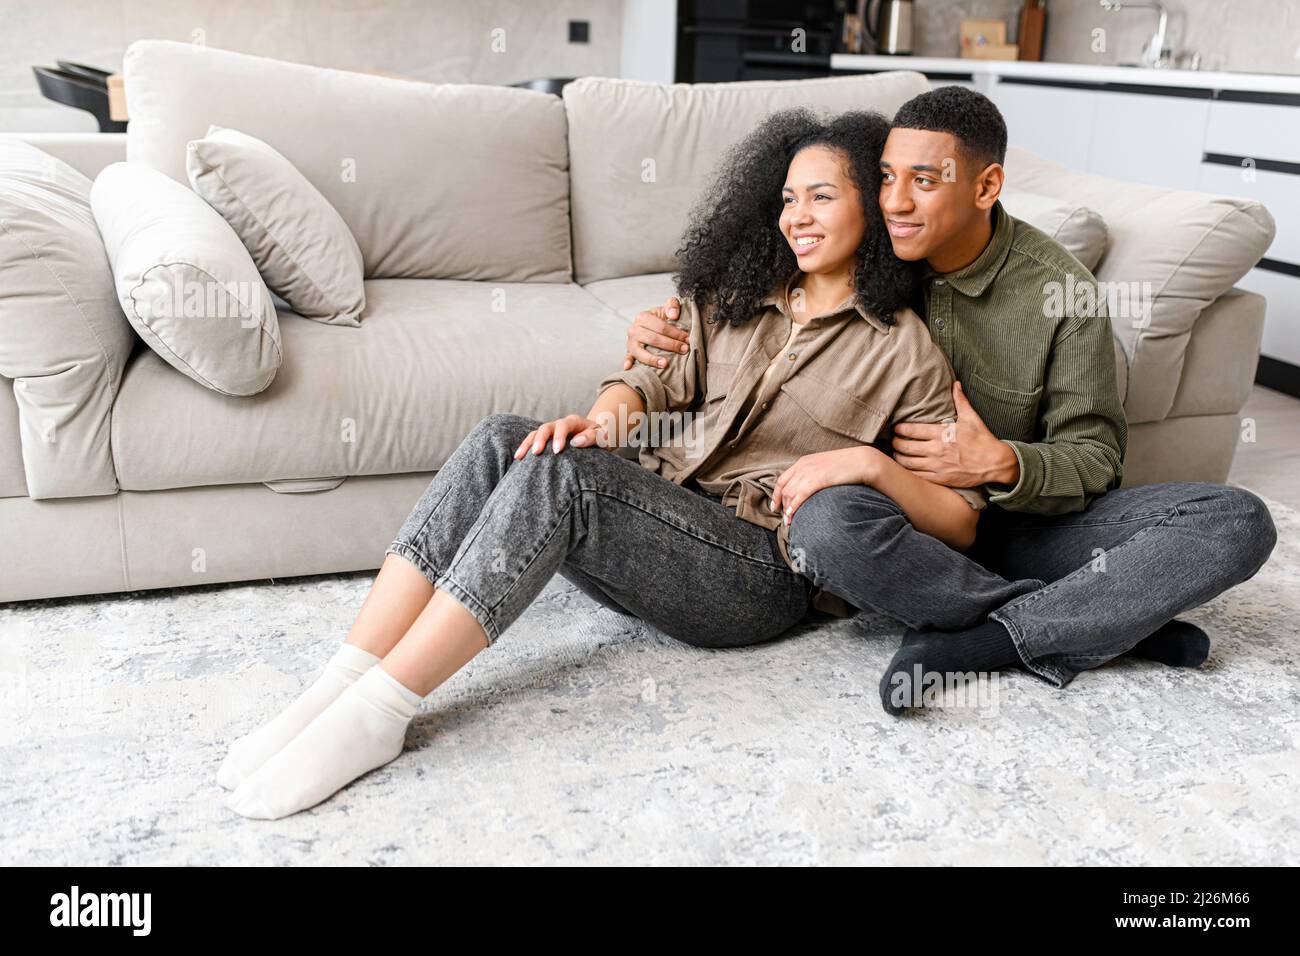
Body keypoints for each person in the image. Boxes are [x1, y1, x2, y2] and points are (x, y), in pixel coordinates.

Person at [217, 108, 988, 819]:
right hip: (659, 523)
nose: (797, 217)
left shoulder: (906, 351)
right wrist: (600, 418)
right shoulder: (739, 296)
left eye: (821, 197)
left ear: (872, 209)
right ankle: (340, 681)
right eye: (787, 199)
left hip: (755, 579)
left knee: (568, 476)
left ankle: (380, 711)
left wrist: (871, 466)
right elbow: (647, 381)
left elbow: (957, 522)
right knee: (507, 439)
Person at [622, 87, 1278, 715]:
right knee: (828, 522)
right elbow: (746, 312)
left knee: (1235, 519)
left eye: (925, 182)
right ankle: (1107, 624)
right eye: (884, 178)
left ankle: (984, 640)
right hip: (887, 523)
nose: (897, 202)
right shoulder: (858, 252)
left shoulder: (1061, 294)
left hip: (1014, 530)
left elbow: (1096, 459)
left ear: (986, 187)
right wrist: (664, 333)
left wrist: (1000, 464)